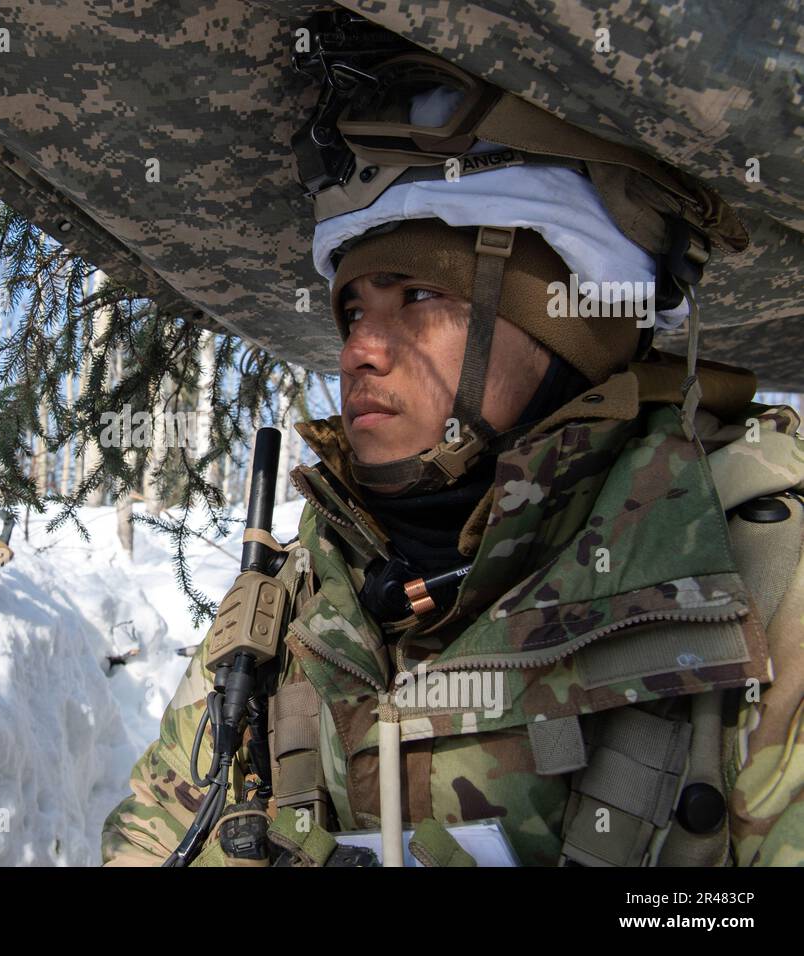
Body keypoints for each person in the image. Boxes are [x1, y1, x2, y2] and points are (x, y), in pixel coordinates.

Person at [100, 19, 804, 867]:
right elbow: (153, 836)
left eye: (421, 295)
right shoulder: (295, 604)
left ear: (571, 323)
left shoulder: (758, 582)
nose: (359, 347)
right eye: (354, 307)